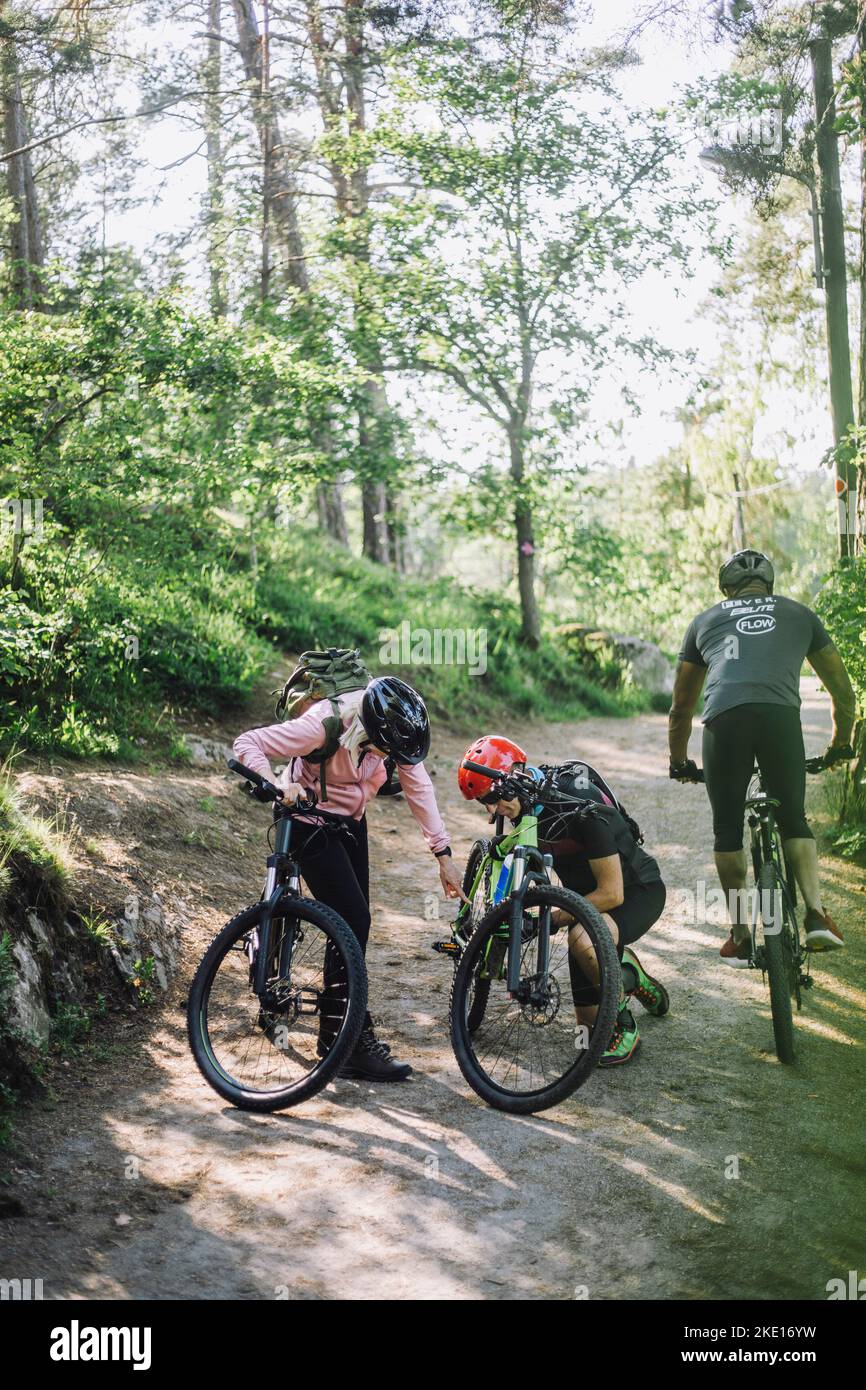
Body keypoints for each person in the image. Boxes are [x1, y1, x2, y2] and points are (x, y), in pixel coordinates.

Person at [234, 675, 467, 1081]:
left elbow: (420, 789)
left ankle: (334, 1034)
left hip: (348, 822)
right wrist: (274, 782)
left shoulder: (397, 731)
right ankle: (348, 1039)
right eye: (385, 751)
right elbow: (248, 742)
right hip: (305, 818)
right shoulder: (323, 724)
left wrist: (442, 854)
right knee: (352, 920)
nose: (392, 758)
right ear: (366, 730)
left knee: (357, 922)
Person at [669, 548, 856, 964]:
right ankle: (815, 915)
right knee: (794, 817)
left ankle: (739, 934)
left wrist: (678, 761)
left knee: (727, 827)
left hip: (726, 721)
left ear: (725, 589)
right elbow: (844, 693)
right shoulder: (800, 614)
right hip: (780, 720)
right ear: (768, 585)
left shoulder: (704, 621)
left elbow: (681, 707)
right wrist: (842, 743)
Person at [457, 735, 668, 1067]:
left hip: (635, 893)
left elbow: (612, 893)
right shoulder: (523, 806)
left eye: (492, 799)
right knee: (587, 1033)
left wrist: (548, 921)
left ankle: (625, 1014)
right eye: (483, 802)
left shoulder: (580, 807)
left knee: (581, 938)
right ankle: (626, 970)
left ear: (514, 777)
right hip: (587, 907)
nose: (491, 811)